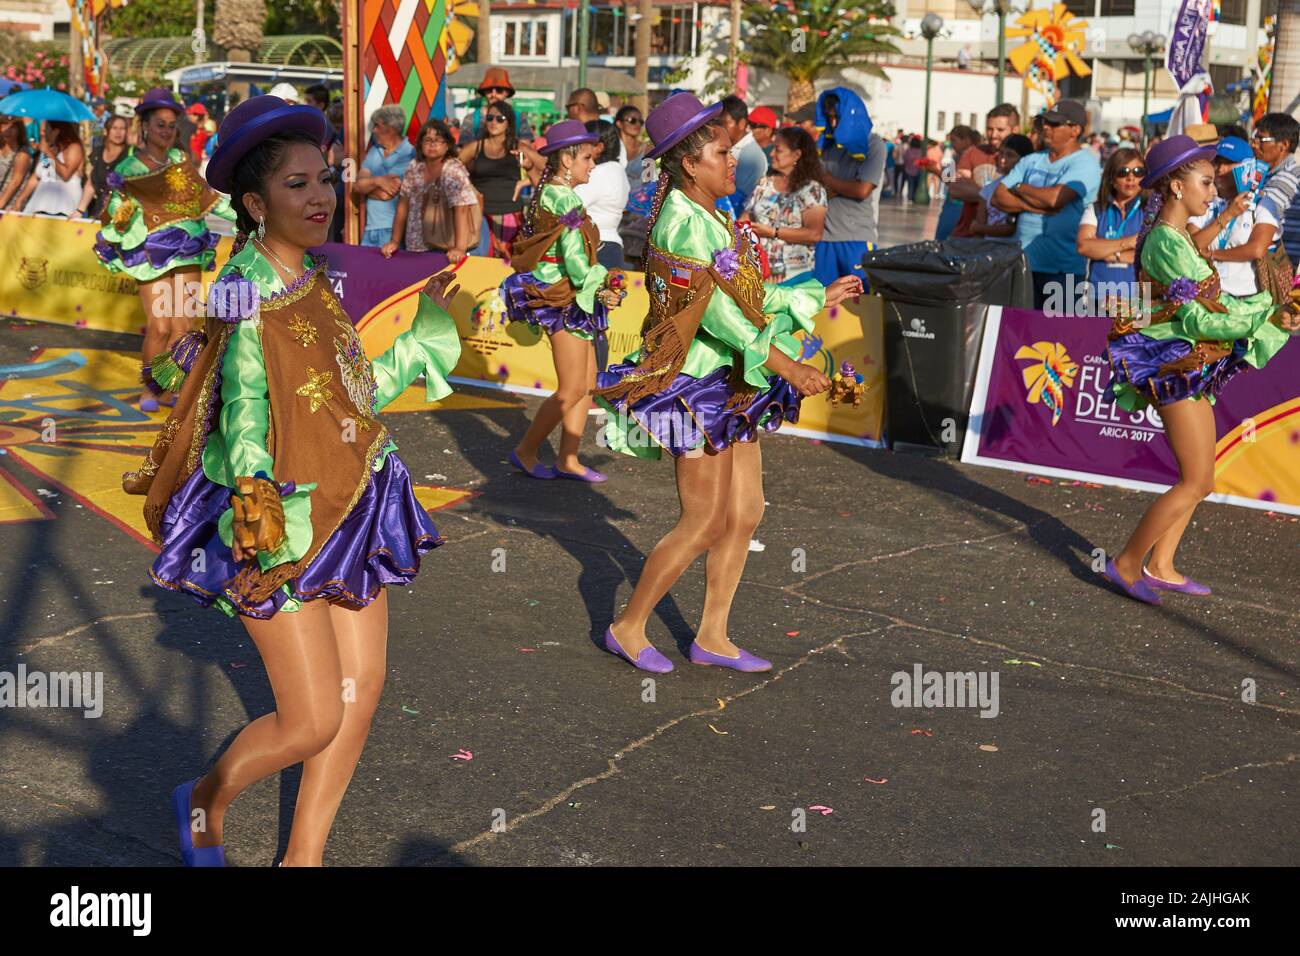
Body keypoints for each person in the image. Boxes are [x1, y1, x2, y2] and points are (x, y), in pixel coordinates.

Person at [125, 94, 463, 867]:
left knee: (363, 690)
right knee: (310, 719)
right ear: (253, 201)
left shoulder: (309, 273)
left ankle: (302, 858)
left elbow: (350, 390)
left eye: (325, 180)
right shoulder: (246, 291)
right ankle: (205, 801)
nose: (320, 199)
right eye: (297, 185)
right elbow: (245, 408)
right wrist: (257, 502)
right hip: (279, 511)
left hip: (355, 492)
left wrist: (420, 340)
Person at [592, 92, 862, 673]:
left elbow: (748, 295)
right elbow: (719, 314)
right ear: (691, 163)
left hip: (735, 375)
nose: (733, 158)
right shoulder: (683, 223)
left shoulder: (712, 214)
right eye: (722, 150)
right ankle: (628, 625)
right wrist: (788, 366)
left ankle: (712, 635)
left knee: (745, 511)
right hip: (694, 386)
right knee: (705, 519)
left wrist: (814, 294)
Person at [1100, 135, 1295, 604]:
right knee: (1196, 480)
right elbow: (1196, 317)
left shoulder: (1180, 237)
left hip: (1194, 364)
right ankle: (1127, 564)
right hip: (1175, 368)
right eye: (1206, 183)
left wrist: (1269, 308)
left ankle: (1162, 564)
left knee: (1202, 479)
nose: (1213, 192)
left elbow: (1214, 302)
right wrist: (1264, 311)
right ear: (1174, 186)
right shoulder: (1167, 243)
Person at [93, 88, 236, 412]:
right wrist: (120, 213)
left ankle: (175, 388)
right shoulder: (129, 168)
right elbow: (114, 210)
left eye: (172, 125)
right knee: (159, 326)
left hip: (187, 246)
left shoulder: (178, 162)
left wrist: (246, 214)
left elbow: (206, 199)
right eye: (161, 124)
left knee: (183, 327)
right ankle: (152, 388)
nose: (168, 131)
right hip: (151, 251)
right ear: (144, 125)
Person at [500, 120, 624, 482]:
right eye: (587, 158)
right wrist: (601, 286)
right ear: (566, 160)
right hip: (565, 299)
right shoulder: (566, 199)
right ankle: (526, 450)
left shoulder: (555, 194)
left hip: (570, 297)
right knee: (572, 387)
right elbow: (574, 259)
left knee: (586, 384)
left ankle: (568, 458)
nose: (592, 165)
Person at [992, 99, 1102, 309]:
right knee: (1020, 335)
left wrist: (1020, 187)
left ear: (1074, 130)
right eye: (1045, 122)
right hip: (1023, 266)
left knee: (1058, 338)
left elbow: (1055, 198)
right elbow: (998, 196)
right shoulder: (1032, 160)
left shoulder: (1085, 163)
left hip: (1063, 272)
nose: (1046, 127)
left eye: (1054, 124)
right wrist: (1030, 206)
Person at [1189, 136, 1278, 301]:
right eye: (1217, 161)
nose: (1220, 168)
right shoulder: (1203, 202)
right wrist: (1228, 214)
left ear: (1248, 167)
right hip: (1207, 298)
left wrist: (1213, 254)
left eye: (1229, 162)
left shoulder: (1263, 204)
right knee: (1139, 317)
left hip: (1247, 300)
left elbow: (1257, 249)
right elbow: (1192, 245)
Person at [812, 87, 884, 286]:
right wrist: (837, 186)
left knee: (860, 304)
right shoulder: (826, 145)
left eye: (837, 118)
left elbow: (862, 190)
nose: (833, 124)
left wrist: (829, 180)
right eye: (829, 118)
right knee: (824, 307)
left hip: (856, 238)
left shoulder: (874, 144)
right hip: (825, 240)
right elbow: (818, 190)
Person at [741, 126, 828, 284]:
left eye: (778, 150)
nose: (772, 154)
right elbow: (743, 221)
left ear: (796, 155)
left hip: (794, 277)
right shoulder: (764, 183)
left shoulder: (811, 190)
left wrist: (773, 232)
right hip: (759, 275)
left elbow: (814, 234)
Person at [459, 99, 544, 259]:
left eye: (500, 119)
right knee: (479, 268)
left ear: (508, 123)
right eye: (490, 118)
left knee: (508, 269)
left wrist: (526, 179)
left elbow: (547, 167)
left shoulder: (517, 147)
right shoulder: (475, 147)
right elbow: (451, 169)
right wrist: (467, 187)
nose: (493, 122)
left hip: (510, 217)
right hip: (480, 218)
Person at [383, 118, 476, 261]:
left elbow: (462, 209)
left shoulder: (453, 169)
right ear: (420, 145)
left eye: (438, 140)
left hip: (447, 248)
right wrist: (395, 241)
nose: (432, 144)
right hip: (415, 246)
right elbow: (403, 204)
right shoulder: (414, 167)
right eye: (427, 140)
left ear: (447, 145)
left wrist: (459, 248)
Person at [1076, 146, 1146, 308]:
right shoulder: (1095, 209)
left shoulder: (1150, 210)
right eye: (1123, 172)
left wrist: (1109, 253)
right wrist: (1129, 243)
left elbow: (1148, 253)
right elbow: (1083, 246)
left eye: (1137, 171)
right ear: (1112, 179)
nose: (1131, 177)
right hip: (1097, 297)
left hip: (1136, 299)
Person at [951, 103, 1020, 237]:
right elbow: (955, 188)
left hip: (1004, 239)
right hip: (968, 234)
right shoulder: (972, 152)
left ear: (1015, 129)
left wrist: (977, 192)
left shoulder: (1022, 156)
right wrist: (998, 196)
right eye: (989, 129)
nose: (993, 134)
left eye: (1000, 130)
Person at [355, 104, 415, 248]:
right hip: (370, 230)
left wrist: (369, 187)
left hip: (394, 233)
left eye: (377, 125)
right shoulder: (375, 151)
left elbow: (388, 194)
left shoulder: (409, 154)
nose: (374, 130)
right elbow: (357, 186)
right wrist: (379, 180)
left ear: (391, 128)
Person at [575, 119, 630, 269]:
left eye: (584, 143)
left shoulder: (601, 173)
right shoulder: (617, 170)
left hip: (597, 247)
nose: (578, 148)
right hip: (609, 247)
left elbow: (570, 205)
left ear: (599, 147)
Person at [969, 133, 1034, 241]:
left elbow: (1009, 229)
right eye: (1001, 154)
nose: (1002, 160)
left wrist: (978, 228)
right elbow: (978, 230)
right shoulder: (988, 189)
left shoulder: (1028, 188)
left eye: (1010, 155)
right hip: (989, 250)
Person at [15, 120, 84, 217]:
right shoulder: (50, 148)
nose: (42, 133)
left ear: (56, 132)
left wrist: (48, 152)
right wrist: (20, 200)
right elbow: (38, 177)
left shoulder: (74, 148)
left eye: (45, 130)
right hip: (41, 207)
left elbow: (66, 175)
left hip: (63, 210)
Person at [720, 94, 768, 216]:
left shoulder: (752, 155)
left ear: (741, 124)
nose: (720, 128)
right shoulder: (730, 146)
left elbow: (737, 200)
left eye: (725, 123)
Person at [459, 68, 534, 145]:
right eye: (489, 90)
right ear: (484, 92)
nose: (493, 95)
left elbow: (525, 148)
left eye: (499, 90)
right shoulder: (472, 119)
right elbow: (465, 149)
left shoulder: (519, 118)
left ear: (507, 92)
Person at [81, 113, 130, 219]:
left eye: (122, 128)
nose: (118, 132)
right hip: (99, 212)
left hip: (123, 215)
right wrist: (80, 210)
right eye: (115, 128)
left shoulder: (131, 155)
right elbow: (91, 184)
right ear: (105, 131)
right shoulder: (97, 153)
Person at [934, 125, 980, 240]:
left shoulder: (974, 157)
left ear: (966, 140)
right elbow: (948, 180)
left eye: (954, 140)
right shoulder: (953, 156)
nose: (952, 144)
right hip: (951, 203)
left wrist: (935, 170)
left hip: (960, 205)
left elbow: (953, 182)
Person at [0, 115, 35, 210]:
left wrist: (1, 204)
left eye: (12, 127)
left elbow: (15, 182)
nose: (7, 131)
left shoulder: (22, 153)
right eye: (4, 126)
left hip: (9, 206)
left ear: (19, 130)